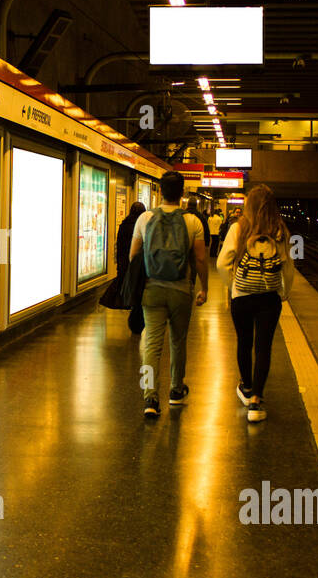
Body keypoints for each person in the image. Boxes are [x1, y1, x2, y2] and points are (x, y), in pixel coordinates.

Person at [130, 171, 208, 418]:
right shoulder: (192, 222)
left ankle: (149, 398)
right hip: (181, 291)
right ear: (182, 193)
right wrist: (204, 287)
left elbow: (133, 255)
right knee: (178, 340)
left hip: (151, 291)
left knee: (151, 345)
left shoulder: (145, 217)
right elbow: (200, 258)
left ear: (160, 191)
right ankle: (176, 390)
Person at [216, 184, 295, 423]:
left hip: (242, 296)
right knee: (263, 347)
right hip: (269, 298)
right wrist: (285, 292)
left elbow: (221, 263)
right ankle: (257, 401)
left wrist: (233, 287)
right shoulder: (280, 230)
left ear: (248, 205)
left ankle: (247, 386)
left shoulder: (238, 229)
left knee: (244, 341)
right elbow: (289, 267)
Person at [115, 201, 146, 334]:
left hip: (124, 262)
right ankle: (136, 320)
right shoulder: (141, 225)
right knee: (138, 290)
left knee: (129, 288)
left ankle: (130, 307)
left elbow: (119, 245)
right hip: (137, 264)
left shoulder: (123, 224)